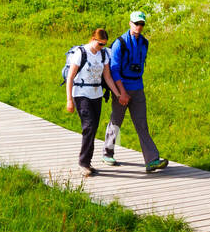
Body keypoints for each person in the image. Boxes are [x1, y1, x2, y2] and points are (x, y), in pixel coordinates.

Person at [103, 10, 169, 172]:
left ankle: (152, 160)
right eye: (136, 23)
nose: (139, 27)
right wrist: (121, 93)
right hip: (122, 87)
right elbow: (115, 69)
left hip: (138, 87)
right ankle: (107, 152)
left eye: (142, 24)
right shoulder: (120, 43)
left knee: (141, 124)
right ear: (130, 23)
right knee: (116, 121)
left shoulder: (145, 43)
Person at [65, 28, 126, 177]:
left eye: (104, 44)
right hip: (81, 94)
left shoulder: (103, 54)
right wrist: (69, 100)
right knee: (89, 126)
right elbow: (70, 78)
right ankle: (83, 163)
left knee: (93, 128)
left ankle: (87, 162)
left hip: (96, 94)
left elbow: (107, 77)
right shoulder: (81, 53)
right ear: (93, 39)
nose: (102, 47)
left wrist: (118, 94)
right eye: (100, 44)